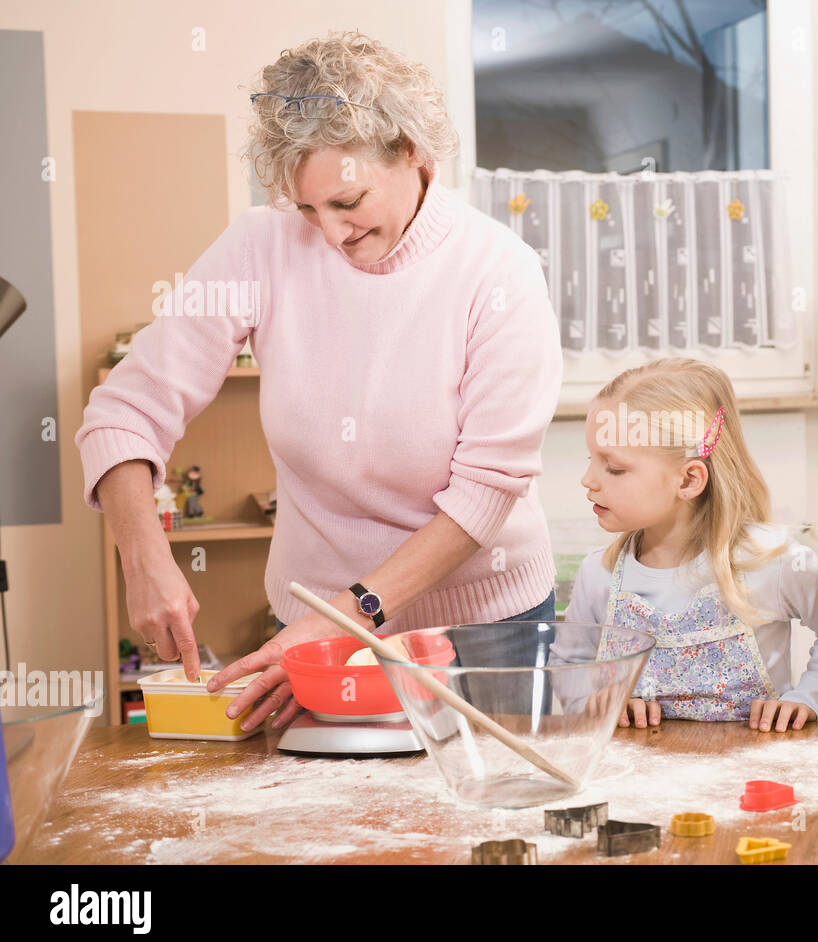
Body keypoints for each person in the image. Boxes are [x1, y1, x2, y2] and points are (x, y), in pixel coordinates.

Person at [74, 31, 561, 734]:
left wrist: (350, 615)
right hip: (313, 627)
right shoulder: (260, 245)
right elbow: (125, 409)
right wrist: (141, 555)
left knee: (479, 829)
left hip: (484, 629)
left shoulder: (499, 271)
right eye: (307, 210)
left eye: (347, 201)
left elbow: (486, 490)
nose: (329, 235)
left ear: (413, 152)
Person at [558, 358, 818, 732]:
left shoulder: (770, 562)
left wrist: (810, 697)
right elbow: (570, 665)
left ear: (688, 480)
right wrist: (597, 701)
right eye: (592, 460)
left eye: (614, 468)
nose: (588, 480)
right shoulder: (599, 575)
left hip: (751, 775)